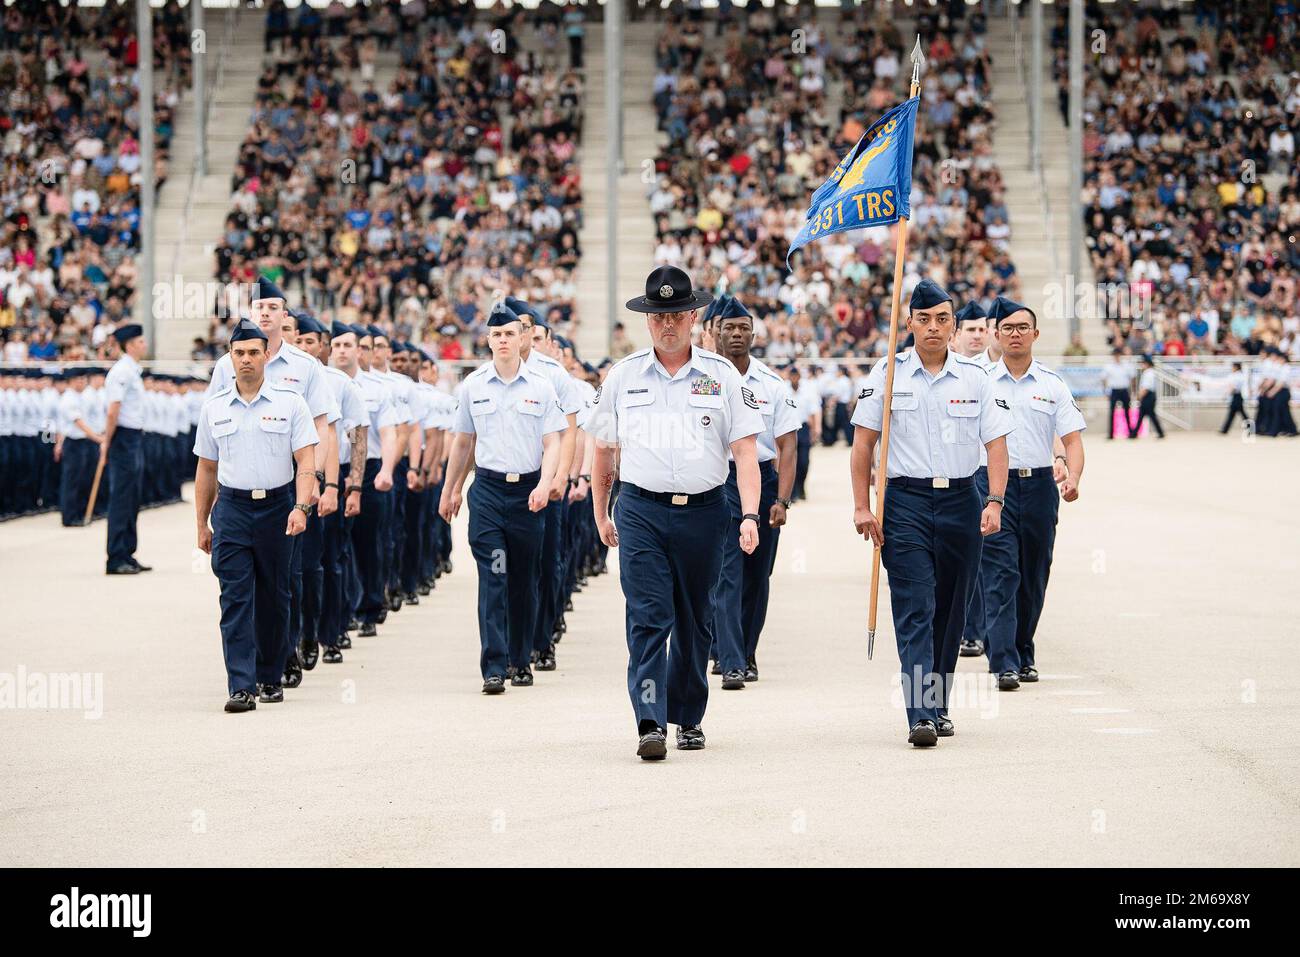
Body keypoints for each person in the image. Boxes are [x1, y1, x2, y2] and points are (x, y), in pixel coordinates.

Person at [588, 265, 764, 760]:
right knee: (649, 616)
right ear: (648, 320)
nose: (668, 324)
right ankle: (650, 719)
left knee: (694, 618)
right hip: (641, 510)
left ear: (694, 316)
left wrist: (749, 514)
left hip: (706, 514)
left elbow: (745, 449)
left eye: (678, 314)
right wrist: (601, 512)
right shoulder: (622, 376)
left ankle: (687, 715)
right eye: (659, 315)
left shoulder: (721, 375)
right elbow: (603, 450)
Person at [849, 279, 1013, 748]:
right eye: (924, 319)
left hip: (963, 499)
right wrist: (862, 505)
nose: (934, 327)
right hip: (905, 504)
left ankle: (938, 703)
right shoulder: (887, 373)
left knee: (951, 610)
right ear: (909, 324)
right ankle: (919, 711)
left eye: (943, 319)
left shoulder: (976, 378)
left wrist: (995, 500)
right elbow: (863, 446)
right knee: (915, 605)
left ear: (954, 325)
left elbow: (997, 446)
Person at [439, 303, 566, 694]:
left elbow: (553, 442)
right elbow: (463, 442)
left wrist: (546, 484)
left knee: (524, 580)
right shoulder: (473, 386)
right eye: (497, 335)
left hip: (528, 492)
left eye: (511, 333)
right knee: (494, 576)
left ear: (523, 337)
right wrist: (451, 489)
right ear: (488, 340)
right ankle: (494, 666)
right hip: (490, 493)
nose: (504, 340)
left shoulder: (541, 387)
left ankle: (519, 657)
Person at [193, 320, 319, 713]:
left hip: (277, 509)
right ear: (230, 358)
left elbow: (306, 462)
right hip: (231, 509)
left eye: (253, 352)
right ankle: (241, 685)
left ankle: (269, 674)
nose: (246, 360)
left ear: (266, 355)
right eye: (238, 353)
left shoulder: (290, 403)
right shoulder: (214, 408)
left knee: (275, 596)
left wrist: (301, 507)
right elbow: (206, 469)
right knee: (234, 599)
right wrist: (201, 523)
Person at [981, 296, 1086, 691]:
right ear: (996, 334)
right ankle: (1004, 660)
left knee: (1034, 575)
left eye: (1022, 327)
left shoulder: (1052, 384)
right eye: (1007, 327)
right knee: (1001, 572)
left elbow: (1073, 440)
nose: (1015, 334)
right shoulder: (981, 383)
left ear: (1036, 334)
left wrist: (1072, 477)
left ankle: (1023, 651)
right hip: (993, 487)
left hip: (1040, 485)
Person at [711, 295, 800, 689]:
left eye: (743, 328)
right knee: (727, 571)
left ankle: (746, 651)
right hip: (716, 479)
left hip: (761, 481)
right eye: (728, 328)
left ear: (753, 333)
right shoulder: (702, 378)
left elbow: (788, 444)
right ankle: (729, 658)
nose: (735, 334)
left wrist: (781, 499)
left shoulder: (772, 384)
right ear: (714, 332)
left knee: (757, 573)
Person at [507, 296, 582, 671]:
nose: (520, 335)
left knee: (547, 562)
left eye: (527, 329)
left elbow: (570, 430)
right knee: (510, 566)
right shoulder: (493, 374)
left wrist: (562, 478)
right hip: (507, 483)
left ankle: (543, 638)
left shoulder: (553, 373)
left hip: (547, 480)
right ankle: (512, 642)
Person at [344, 324, 399, 638]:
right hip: (336, 470)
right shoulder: (326, 384)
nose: (357, 352)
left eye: (363, 347)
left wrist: (386, 470)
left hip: (370, 470)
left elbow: (389, 433)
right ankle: (344, 608)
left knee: (368, 543)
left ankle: (370, 605)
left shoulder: (379, 389)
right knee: (339, 546)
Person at [953, 300, 992, 658]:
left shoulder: (991, 373)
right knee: (967, 559)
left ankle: (983, 629)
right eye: (971, 330)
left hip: (988, 472)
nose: (978, 336)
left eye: (983, 329)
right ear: (956, 335)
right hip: (961, 474)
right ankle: (970, 628)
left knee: (989, 559)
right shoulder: (951, 370)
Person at [103, 324, 151, 574]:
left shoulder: (133, 371)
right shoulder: (121, 371)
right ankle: (115, 556)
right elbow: (114, 410)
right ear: (130, 344)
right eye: (141, 341)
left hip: (133, 438)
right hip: (122, 439)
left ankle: (128, 552)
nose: (144, 344)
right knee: (122, 498)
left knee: (133, 497)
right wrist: (106, 442)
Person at [56, 367, 102, 527]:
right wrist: (97, 438)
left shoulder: (80, 397)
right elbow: (79, 423)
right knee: (72, 481)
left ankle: (79, 512)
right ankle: (69, 517)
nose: (82, 382)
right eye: (78, 379)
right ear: (70, 382)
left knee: (82, 479)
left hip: (82, 442)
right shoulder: (68, 399)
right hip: (73, 443)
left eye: (83, 379)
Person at [1101, 349, 1135, 439]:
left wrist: (1132, 391)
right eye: (1115, 355)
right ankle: (1111, 434)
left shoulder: (1126, 365)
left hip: (1124, 390)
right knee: (1112, 412)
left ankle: (1130, 432)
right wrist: (1105, 391)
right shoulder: (1109, 366)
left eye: (1118, 355)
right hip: (1114, 390)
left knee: (1127, 412)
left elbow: (1132, 378)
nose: (1117, 357)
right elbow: (1104, 379)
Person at [1135, 355, 1166, 439]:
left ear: (1147, 364)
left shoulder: (1148, 373)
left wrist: (1139, 396)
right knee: (1144, 415)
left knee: (1148, 415)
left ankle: (1134, 433)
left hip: (1148, 396)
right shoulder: (1151, 372)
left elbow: (1146, 387)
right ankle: (1134, 433)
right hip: (1150, 396)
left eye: (1143, 363)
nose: (1141, 365)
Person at [1220, 361, 1250, 434]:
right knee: (1233, 414)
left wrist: (1226, 395)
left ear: (1236, 367)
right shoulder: (1238, 375)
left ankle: (1225, 430)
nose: (1232, 368)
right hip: (1236, 396)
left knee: (1241, 414)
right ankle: (1225, 430)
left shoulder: (1237, 376)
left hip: (1237, 396)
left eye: (1233, 367)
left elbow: (1233, 387)